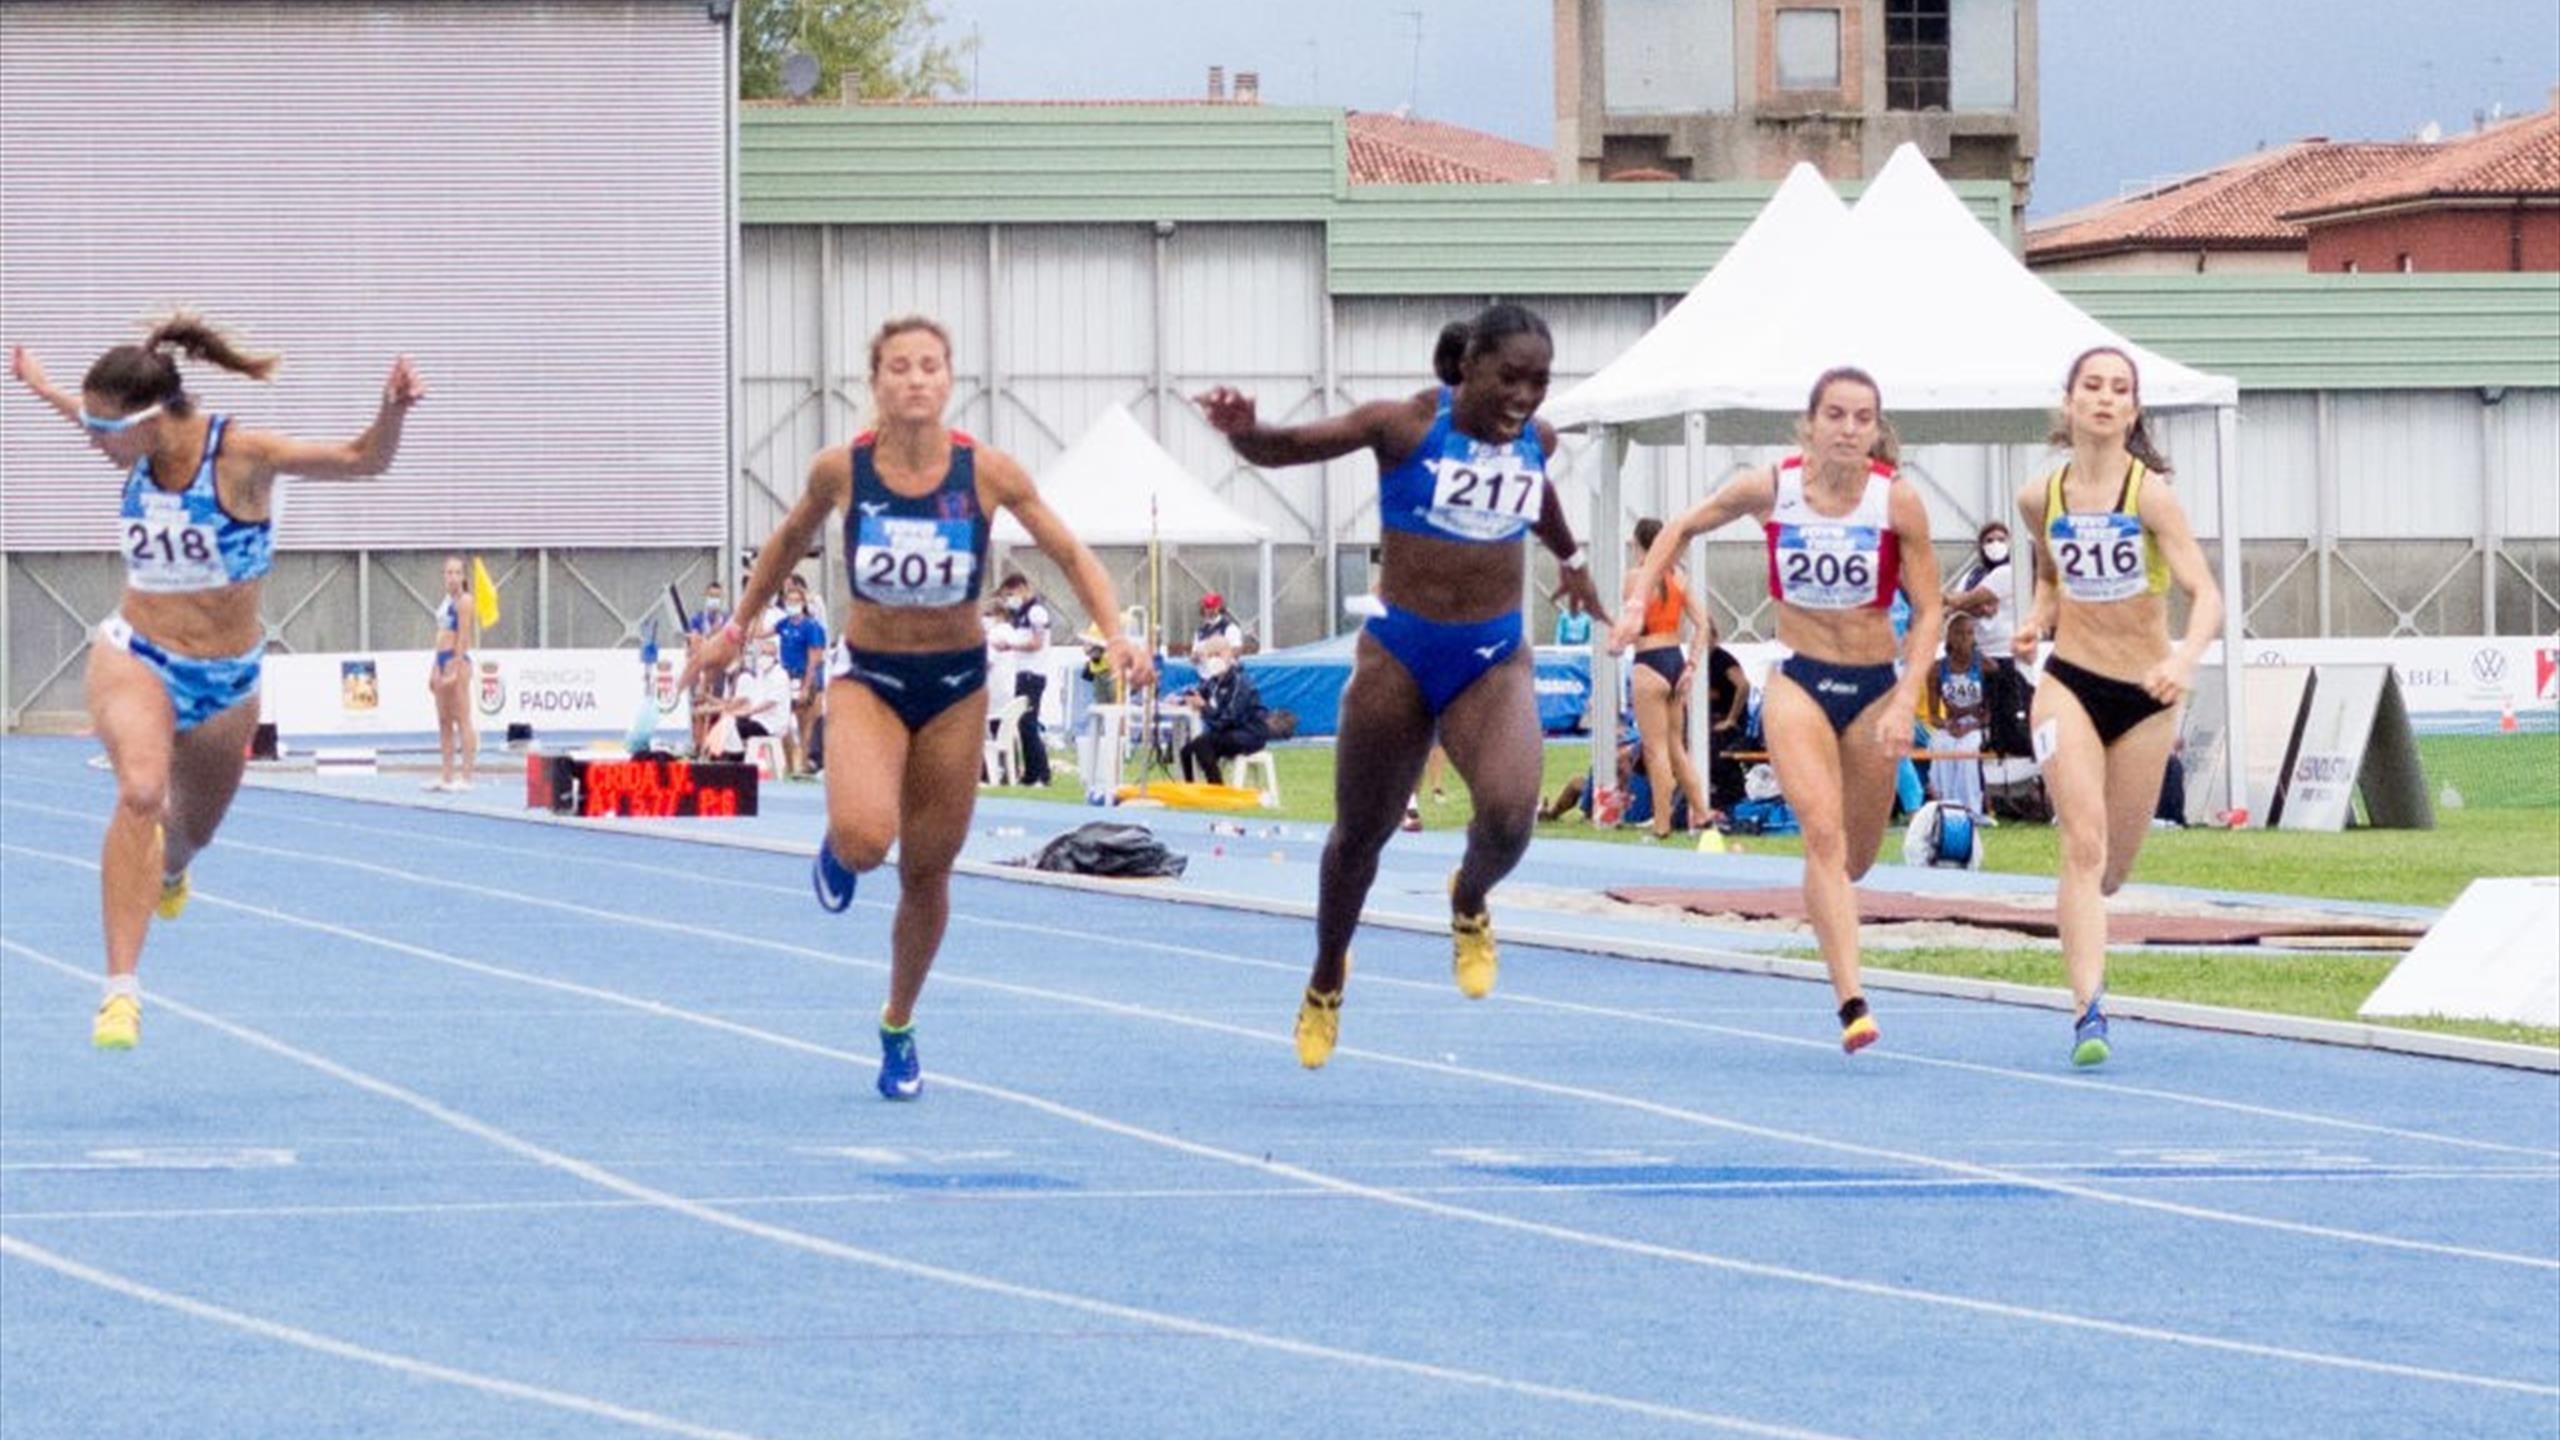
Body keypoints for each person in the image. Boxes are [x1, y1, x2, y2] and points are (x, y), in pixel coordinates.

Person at [684, 314, 1147, 1099]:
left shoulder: (987, 473)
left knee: (927, 874)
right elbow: (786, 544)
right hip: (870, 676)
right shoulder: (842, 471)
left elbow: (1068, 552)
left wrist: (1117, 632)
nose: (916, 379)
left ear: (949, 379)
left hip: (956, 686)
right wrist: (735, 631)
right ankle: (839, 848)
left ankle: (898, 1021)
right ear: (876, 383)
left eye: (930, 366)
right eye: (899, 367)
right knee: (869, 841)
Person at [1197, 301, 1609, 1069]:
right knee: (1360, 836)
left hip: (1490, 656)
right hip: (1399, 654)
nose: (1524, 397)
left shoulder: (1535, 439)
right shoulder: (1405, 428)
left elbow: (1537, 494)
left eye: (1540, 382)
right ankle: (1327, 975)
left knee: (1513, 814)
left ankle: (1469, 897)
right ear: (1466, 370)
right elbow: (1286, 450)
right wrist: (1244, 431)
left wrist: (1573, 562)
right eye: (1509, 378)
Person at [9, 316, 423, 1050]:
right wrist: (39, 385)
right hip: (136, 653)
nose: (94, 443)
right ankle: (120, 993)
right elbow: (87, 413)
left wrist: (389, 411)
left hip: (227, 677)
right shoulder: (129, 443)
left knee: (189, 834)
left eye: (104, 431)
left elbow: (364, 460)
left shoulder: (242, 456)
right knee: (140, 790)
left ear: (148, 420)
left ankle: (170, 870)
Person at [1614, 366, 1940, 1053]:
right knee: (1819, 836)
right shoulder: (1772, 488)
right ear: (1810, 423)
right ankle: (1852, 1001)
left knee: (1856, 858)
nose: (1849, 429)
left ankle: (1834, 909)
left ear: (1877, 429)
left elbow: (1932, 608)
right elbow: (1683, 526)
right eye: (1836, 415)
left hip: (1876, 683)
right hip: (1798, 680)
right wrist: (1640, 598)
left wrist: (1907, 696)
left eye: (1862, 417)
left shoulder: (1897, 502)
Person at [2017, 345, 2222, 1068]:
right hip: (2068, 681)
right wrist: (2036, 620)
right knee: (2082, 843)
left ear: (2132, 411)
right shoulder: (2040, 496)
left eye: (2119, 390)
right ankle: (2088, 1012)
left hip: (2144, 693)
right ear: (2068, 403)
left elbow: (2207, 595)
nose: (2104, 399)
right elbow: (2047, 575)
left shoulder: (2152, 496)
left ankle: (2089, 929)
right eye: (2092, 387)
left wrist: (2183, 658)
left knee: (2111, 873)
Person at [1622, 516, 1713, 841]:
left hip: (1649, 661)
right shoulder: (1680, 579)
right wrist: (1691, 665)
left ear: (1639, 544)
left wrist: (1620, 641)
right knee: (1677, 747)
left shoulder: (1635, 578)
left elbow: (1632, 624)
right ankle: (1702, 814)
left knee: (1655, 749)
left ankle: (1662, 824)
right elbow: (1704, 625)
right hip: (1674, 660)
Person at [1947, 519, 2032, 757]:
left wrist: (1963, 602)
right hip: (1978, 653)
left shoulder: (2011, 572)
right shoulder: (1973, 575)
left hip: (2007, 653)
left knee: (2008, 715)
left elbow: (1964, 601)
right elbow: (1967, 606)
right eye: (1989, 540)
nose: (1995, 544)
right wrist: (1973, 604)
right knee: (1979, 714)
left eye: (2000, 540)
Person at [1175, 637, 1269, 784]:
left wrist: (1204, 707)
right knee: (1186, 751)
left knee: (1203, 745)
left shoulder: (1240, 682)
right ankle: (1191, 789)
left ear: (1230, 654)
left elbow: (1229, 718)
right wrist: (1182, 699)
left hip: (1248, 733)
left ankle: (1216, 787)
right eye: (1210, 656)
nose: (1214, 660)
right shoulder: (1214, 681)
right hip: (1228, 732)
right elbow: (1198, 693)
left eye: (1218, 654)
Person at [1924, 612, 1989, 816]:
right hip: (1951, 725)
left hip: (1977, 724)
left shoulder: (1985, 666)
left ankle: (1971, 808)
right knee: (1942, 744)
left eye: (1969, 633)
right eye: (1959, 634)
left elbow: (1993, 711)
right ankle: (1946, 806)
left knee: (1968, 747)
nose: (1964, 639)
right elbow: (1933, 715)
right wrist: (1948, 726)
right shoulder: (1936, 669)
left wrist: (1971, 724)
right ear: (1949, 637)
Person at [993, 572, 1055, 786]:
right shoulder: (1021, 614)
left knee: (1028, 724)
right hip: (1021, 673)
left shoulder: (1036, 612)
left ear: (1021, 588)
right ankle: (1030, 773)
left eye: (1011, 594)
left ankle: (1041, 773)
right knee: (1021, 724)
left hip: (1033, 674)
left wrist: (1011, 646)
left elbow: (1037, 643)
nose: (1010, 599)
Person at [426, 554, 479, 792]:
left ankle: (466, 777)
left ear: (463, 576)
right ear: (443, 576)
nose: (453, 577)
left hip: (456, 661)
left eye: (458, 573)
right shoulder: (446, 601)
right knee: (444, 720)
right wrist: (434, 667)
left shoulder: (465, 601)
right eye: (449, 573)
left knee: (462, 718)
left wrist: (456, 667)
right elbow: (440, 635)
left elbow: (464, 636)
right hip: (441, 660)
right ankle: (446, 775)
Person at [772, 572, 827, 776]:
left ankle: (803, 763)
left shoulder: (811, 625)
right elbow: (761, 632)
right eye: (788, 600)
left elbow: (815, 657)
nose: (791, 604)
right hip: (786, 676)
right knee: (782, 722)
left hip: (804, 675)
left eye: (796, 600)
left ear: (802, 602)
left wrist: (806, 684)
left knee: (806, 721)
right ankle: (789, 761)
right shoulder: (783, 624)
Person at [1699, 614, 1752, 815]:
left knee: (1714, 750)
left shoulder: (1723, 660)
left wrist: (1731, 719)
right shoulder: (1698, 661)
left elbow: (1744, 686)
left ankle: (1722, 799)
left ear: (1714, 637)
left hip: (1727, 725)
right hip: (1707, 722)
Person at [1193, 592, 1245, 657]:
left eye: (1210, 606)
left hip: (1224, 666)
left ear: (1218, 607)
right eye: (1205, 606)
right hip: (1205, 666)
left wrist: (1218, 656)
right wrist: (1197, 657)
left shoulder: (1229, 627)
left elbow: (1236, 650)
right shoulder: (1200, 631)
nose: (1208, 610)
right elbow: (1194, 654)